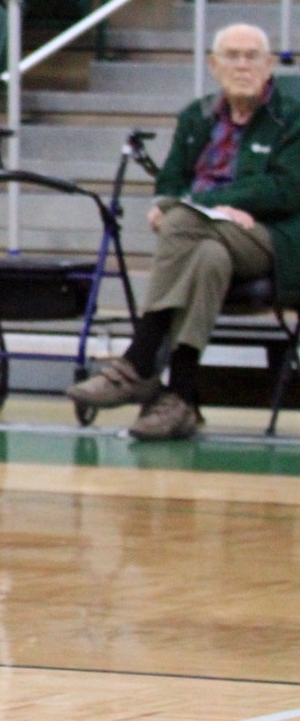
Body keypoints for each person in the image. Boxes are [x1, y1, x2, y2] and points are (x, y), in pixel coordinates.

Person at [69, 23, 300, 441]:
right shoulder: (196, 117)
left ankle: (139, 361)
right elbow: (170, 182)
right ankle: (181, 396)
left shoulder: (293, 116)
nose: (242, 64)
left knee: (182, 220)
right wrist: (167, 205)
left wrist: (205, 206)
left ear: (270, 66)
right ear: (213, 65)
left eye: (253, 56)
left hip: (270, 237)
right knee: (207, 254)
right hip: (204, 239)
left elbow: (286, 188)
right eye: (232, 55)